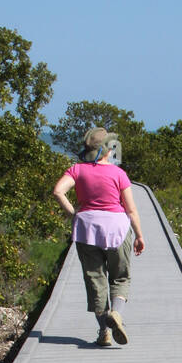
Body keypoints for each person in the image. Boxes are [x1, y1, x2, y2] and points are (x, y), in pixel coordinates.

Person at [52, 127, 146, 347]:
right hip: (117, 230)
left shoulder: (76, 170)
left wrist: (74, 214)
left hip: (87, 230)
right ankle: (117, 314)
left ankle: (104, 331)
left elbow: (58, 191)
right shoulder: (118, 174)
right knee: (120, 276)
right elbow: (131, 210)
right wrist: (140, 236)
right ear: (107, 150)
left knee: (96, 280)